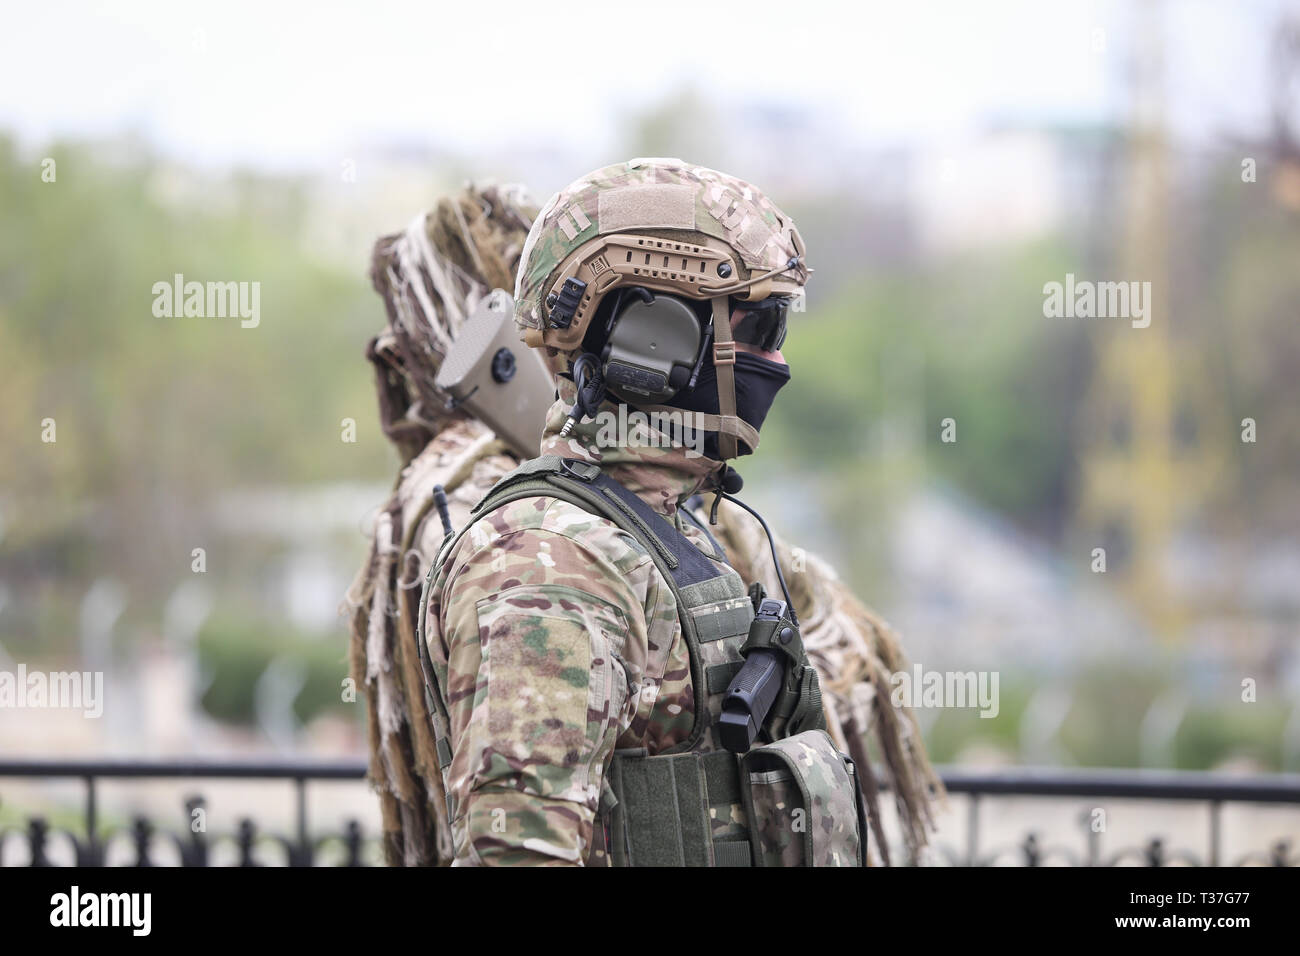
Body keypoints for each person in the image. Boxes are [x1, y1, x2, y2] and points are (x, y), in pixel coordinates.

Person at [410, 159, 937, 866]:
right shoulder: (551, 566)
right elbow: (517, 853)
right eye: (760, 324)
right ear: (651, 337)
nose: (773, 359)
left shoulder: (661, 525)